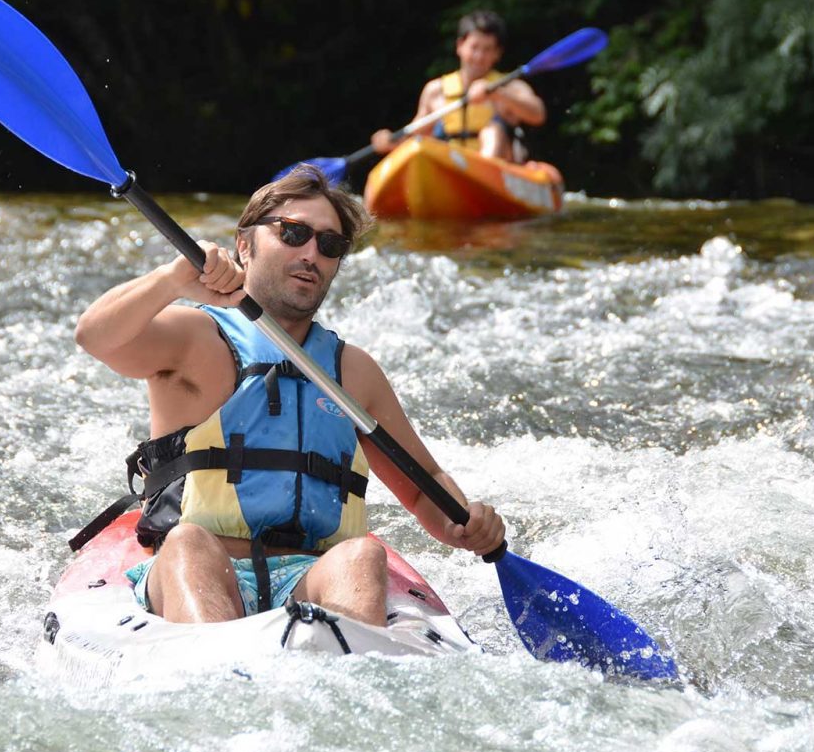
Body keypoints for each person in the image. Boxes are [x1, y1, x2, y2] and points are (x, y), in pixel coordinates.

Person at [74, 167, 505, 626]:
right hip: (204, 566)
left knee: (361, 555)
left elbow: (422, 486)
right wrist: (173, 280)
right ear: (245, 244)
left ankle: (346, 671)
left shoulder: (353, 372)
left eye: (329, 244)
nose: (310, 254)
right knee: (189, 543)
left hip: (312, 573)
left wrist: (465, 523)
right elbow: (95, 337)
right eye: (293, 233)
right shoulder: (197, 338)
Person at [371, 10, 547, 164]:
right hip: (451, 170)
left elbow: (538, 114)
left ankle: (481, 173)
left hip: (497, 171)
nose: (479, 56)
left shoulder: (509, 86)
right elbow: (416, 135)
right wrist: (391, 141)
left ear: (497, 54)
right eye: (474, 47)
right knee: (428, 145)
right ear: (460, 46)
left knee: (492, 131)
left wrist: (498, 95)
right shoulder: (436, 91)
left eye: (487, 49)